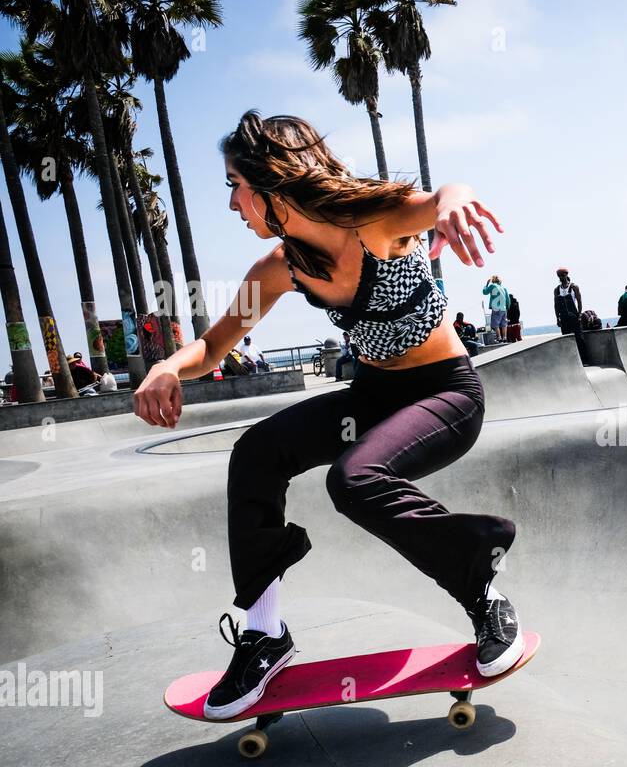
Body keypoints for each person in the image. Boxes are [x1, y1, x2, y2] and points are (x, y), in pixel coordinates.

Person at [130, 110, 521, 721]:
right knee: (256, 453)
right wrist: (168, 369)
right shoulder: (282, 268)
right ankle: (264, 636)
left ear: (271, 182)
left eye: (235, 185)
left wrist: (455, 205)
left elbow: (445, 195)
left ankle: (481, 587)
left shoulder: (375, 221)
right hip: (371, 397)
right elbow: (213, 347)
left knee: (354, 479)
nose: (233, 204)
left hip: (446, 395)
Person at [553, 267, 583, 335]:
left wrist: (579, 314)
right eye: (559, 276)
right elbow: (556, 306)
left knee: (579, 337)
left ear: (566, 275)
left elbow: (579, 302)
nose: (561, 277)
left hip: (574, 316)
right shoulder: (557, 290)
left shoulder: (574, 287)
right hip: (563, 318)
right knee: (566, 338)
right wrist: (557, 318)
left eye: (562, 275)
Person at [482, 275, 511, 343]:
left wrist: (486, 284)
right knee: (504, 324)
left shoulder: (492, 286)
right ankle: (504, 337)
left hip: (496, 308)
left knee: (495, 324)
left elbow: (485, 292)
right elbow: (508, 299)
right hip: (503, 308)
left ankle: (499, 338)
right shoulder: (504, 288)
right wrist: (507, 307)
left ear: (493, 280)